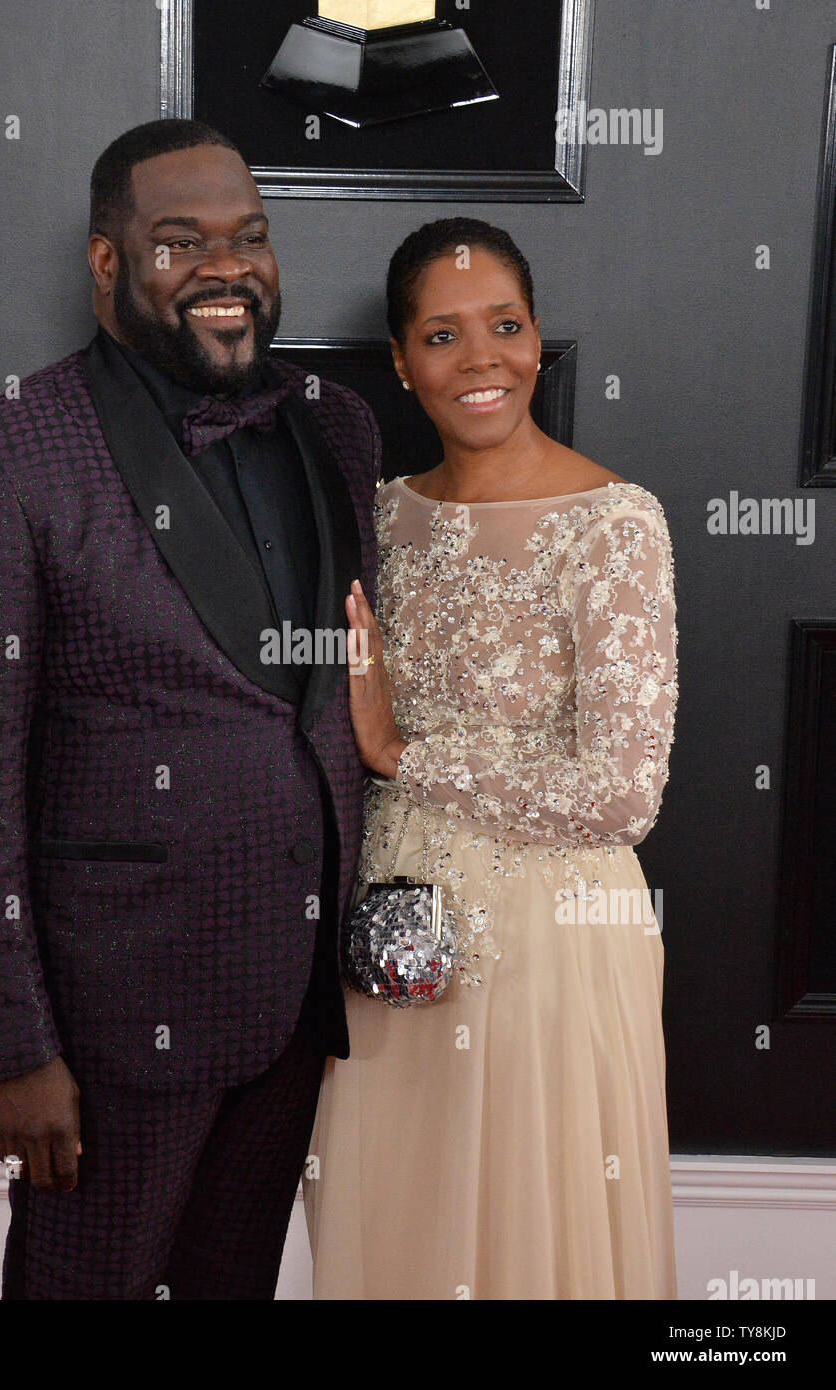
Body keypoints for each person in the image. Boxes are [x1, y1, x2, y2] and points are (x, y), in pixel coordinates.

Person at [0, 118, 380, 1300]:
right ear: (107, 261)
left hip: (294, 1002)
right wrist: (7, 1045)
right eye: (180, 240)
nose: (226, 266)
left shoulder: (338, 426)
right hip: (108, 1025)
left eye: (249, 235)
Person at [307, 217, 679, 1299]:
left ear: (536, 338)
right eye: (442, 335)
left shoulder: (614, 523)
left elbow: (622, 796)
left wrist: (401, 753)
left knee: (529, 1230)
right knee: (400, 1225)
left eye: (505, 326)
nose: (482, 359)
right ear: (399, 361)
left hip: (553, 939)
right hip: (388, 937)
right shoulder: (379, 518)